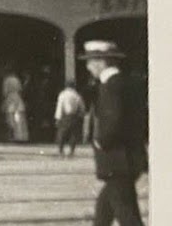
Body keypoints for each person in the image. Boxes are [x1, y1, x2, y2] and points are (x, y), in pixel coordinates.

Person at [81, 40, 147, 226]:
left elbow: (113, 120)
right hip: (128, 158)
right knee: (104, 212)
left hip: (117, 160)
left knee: (127, 215)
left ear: (101, 62)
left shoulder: (110, 85)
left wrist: (101, 141)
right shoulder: (128, 82)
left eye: (90, 62)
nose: (88, 67)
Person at [54, 79, 86, 157]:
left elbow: (60, 106)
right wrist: (81, 114)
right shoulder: (77, 95)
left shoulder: (62, 94)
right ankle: (71, 151)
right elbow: (82, 107)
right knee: (73, 134)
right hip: (74, 116)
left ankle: (61, 150)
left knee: (62, 133)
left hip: (65, 115)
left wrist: (58, 117)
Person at [2, 67, 30, 142]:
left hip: (10, 99)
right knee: (19, 119)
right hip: (18, 99)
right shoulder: (16, 79)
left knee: (11, 120)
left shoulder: (6, 80)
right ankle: (21, 136)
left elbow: (5, 92)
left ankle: (13, 136)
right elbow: (20, 90)